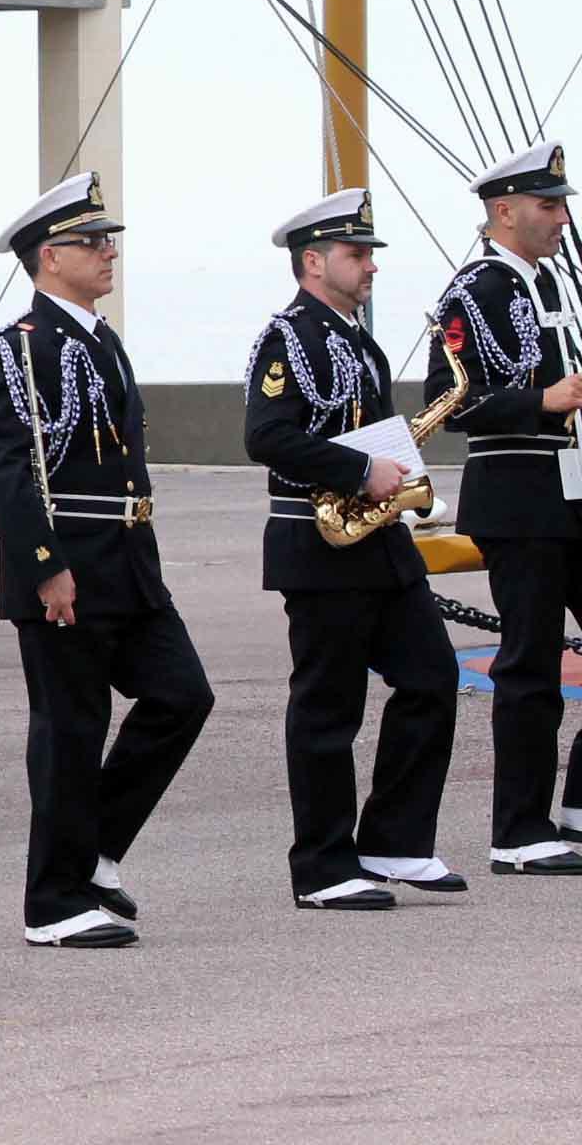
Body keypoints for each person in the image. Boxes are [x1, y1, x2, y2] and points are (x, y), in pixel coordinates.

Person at [0, 173, 214, 948]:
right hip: (66, 560)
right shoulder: (20, 347)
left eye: (108, 240)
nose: (108, 252)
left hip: (129, 559)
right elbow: (6, 467)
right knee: (70, 729)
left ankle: (95, 849)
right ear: (49, 257)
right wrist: (44, 562)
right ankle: (52, 901)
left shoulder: (99, 338)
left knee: (182, 695)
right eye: (91, 242)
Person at [248, 189, 465, 908]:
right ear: (313, 261)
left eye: (369, 252)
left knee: (431, 679)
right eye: (356, 253)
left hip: (379, 543)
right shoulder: (289, 338)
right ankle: (322, 866)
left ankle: (396, 842)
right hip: (318, 544)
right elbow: (266, 436)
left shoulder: (353, 336)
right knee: (327, 709)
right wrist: (357, 471)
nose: (370, 265)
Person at [426, 141, 582, 875]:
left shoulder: (548, 283)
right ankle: (518, 831)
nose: (560, 218)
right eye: (547, 206)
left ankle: (575, 806)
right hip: (518, 493)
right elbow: (446, 400)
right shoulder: (477, 290)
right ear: (504, 210)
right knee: (528, 661)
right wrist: (540, 402)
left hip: (569, 489)